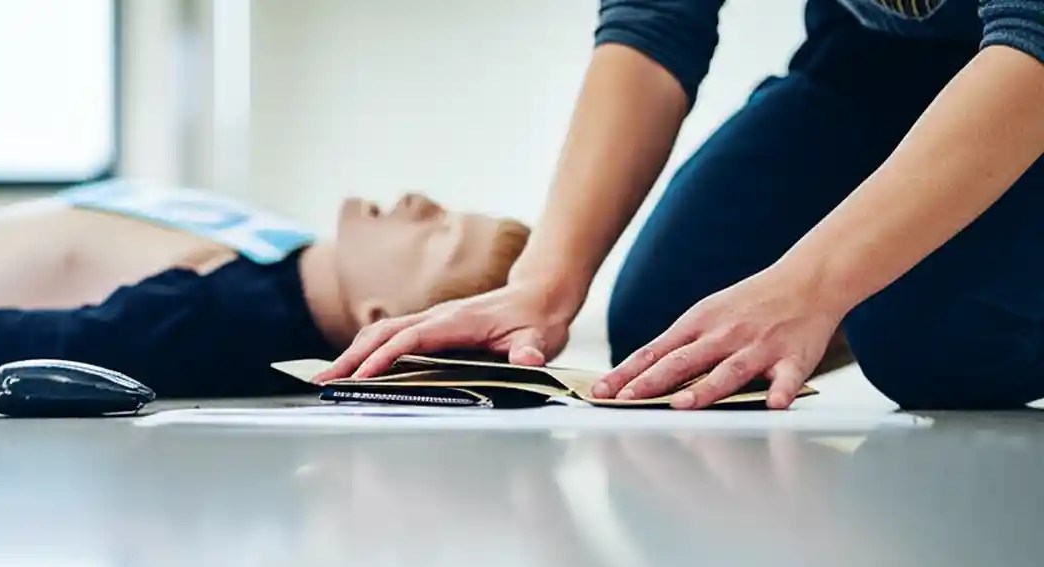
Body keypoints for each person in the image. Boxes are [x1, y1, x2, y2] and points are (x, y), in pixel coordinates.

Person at [317, 0, 1044, 410]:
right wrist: (544, 283)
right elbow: (654, 23)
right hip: (870, 65)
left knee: (924, 337)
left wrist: (814, 285)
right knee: (667, 330)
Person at [0, 183, 528, 399]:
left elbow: (3, 348)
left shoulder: (224, 319)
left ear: (386, 321)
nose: (424, 201)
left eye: (440, 237)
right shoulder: (272, 255)